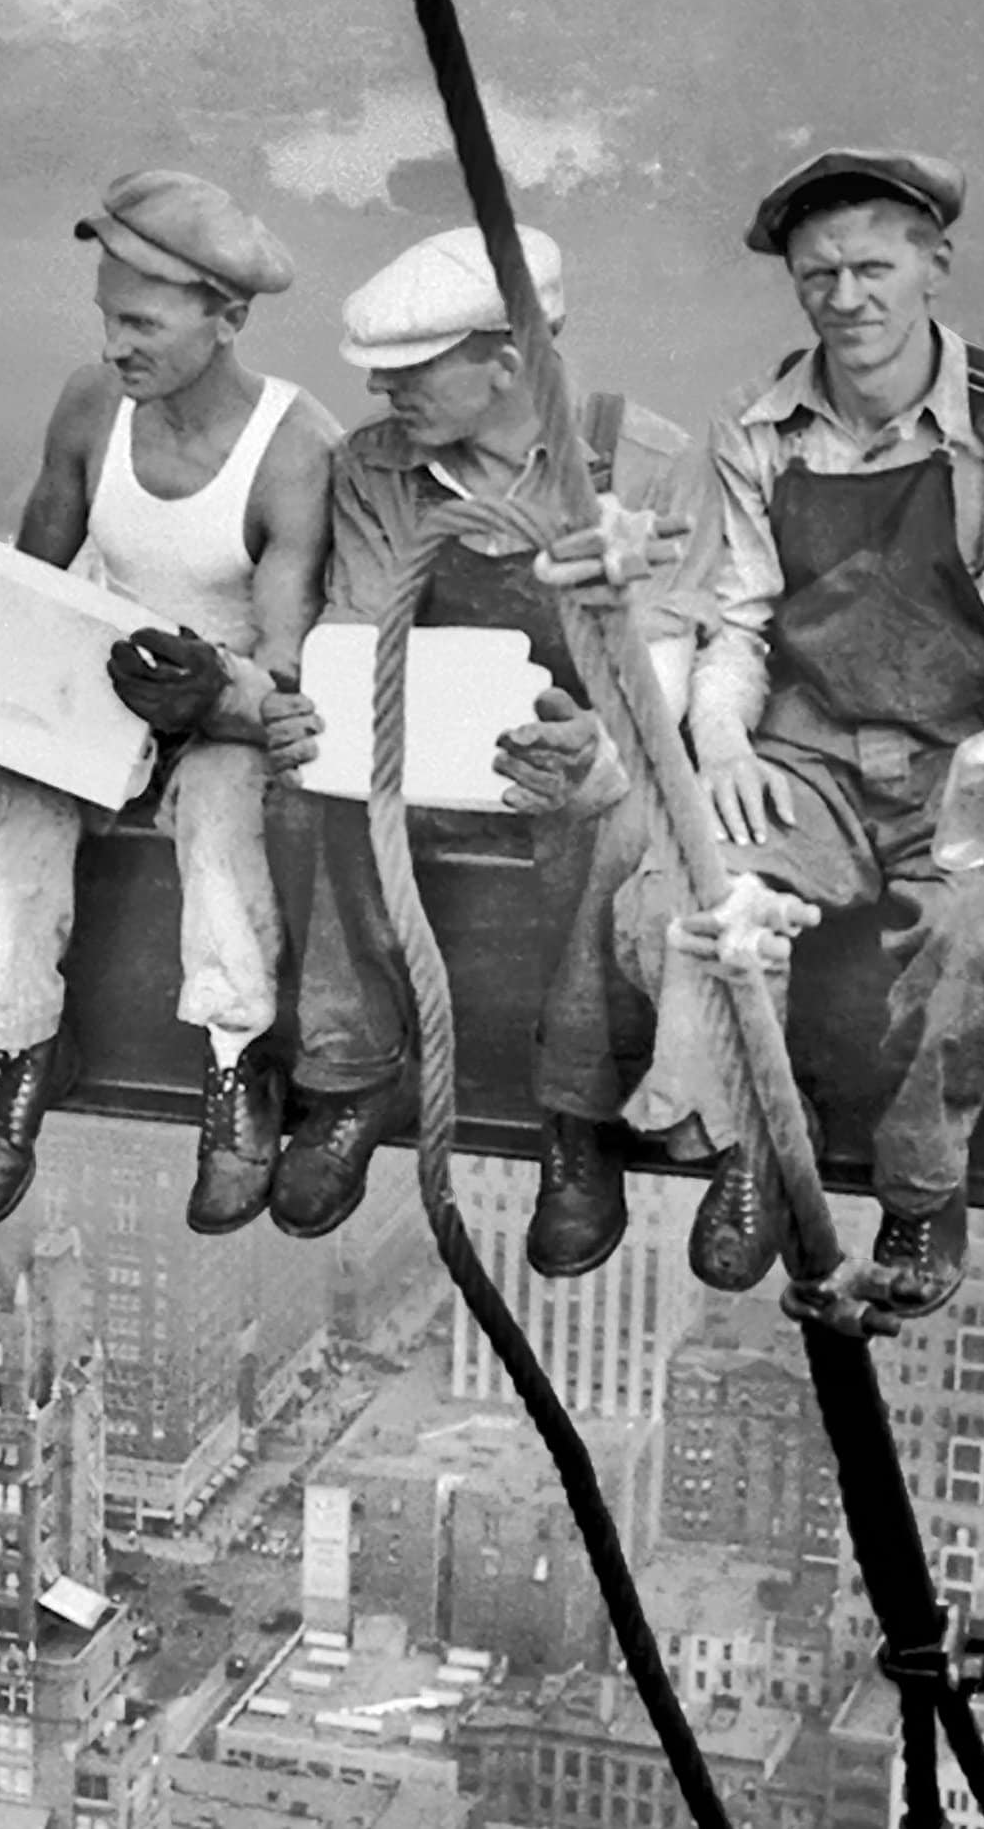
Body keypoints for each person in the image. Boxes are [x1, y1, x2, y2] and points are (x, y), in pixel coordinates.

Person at [625, 148, 984, 1315]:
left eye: (871, 269)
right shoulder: (755, 427)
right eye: (817, 275)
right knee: (683, 901)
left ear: (931, 266)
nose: (844, 298)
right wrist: (723, 745)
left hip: (982, 758)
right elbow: (736, 625)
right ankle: (757, 1140)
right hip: (810, 752)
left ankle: (919, 1185)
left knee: (976, 943)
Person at [261, 225, 712, 1254]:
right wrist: (325, 710)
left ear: (508, 364)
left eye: (410, 371)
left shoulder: (648, 463)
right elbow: (360, 628)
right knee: (310, 788)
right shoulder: (373, 466)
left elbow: (661, 667)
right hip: (428, 737)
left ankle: (578, 1111)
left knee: (613, 822)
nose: (381, 391)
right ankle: (351, 1072)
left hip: (582, 747)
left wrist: (591, 752)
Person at [0, 170, 338, 1233]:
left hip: (222, 702)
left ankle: (236, 1061)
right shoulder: (91, 405)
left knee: (220, 812)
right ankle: (18, 1041)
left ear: (228, 318)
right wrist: (7, 689)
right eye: (106, 318)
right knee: (13, 785)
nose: (115, 345)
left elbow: (287, 660)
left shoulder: (293, 448)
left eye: (142, 325)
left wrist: (217, 693)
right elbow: (33, 581)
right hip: (106, 676)